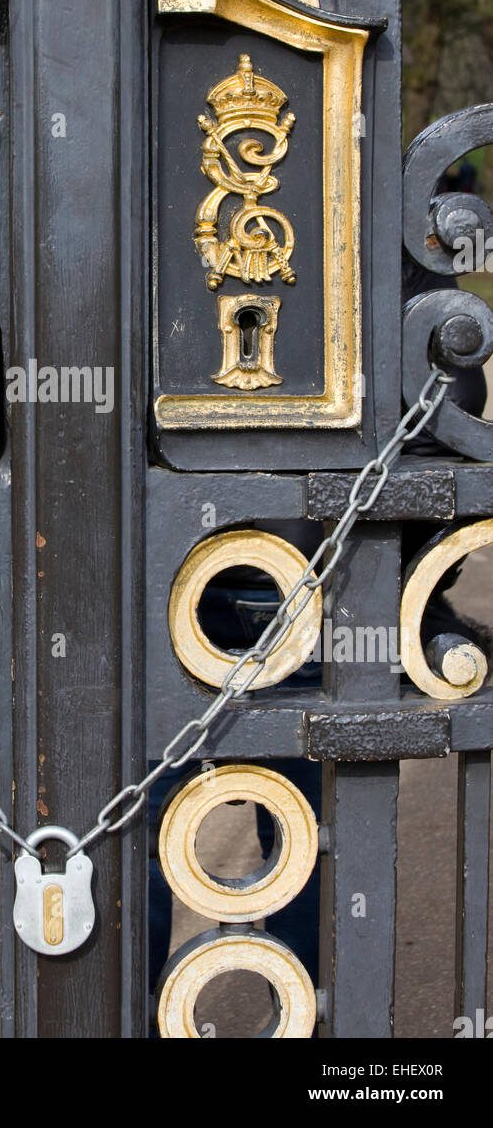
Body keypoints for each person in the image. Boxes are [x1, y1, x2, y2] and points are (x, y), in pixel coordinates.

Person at [148, 248, 492, 1005]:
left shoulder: (142, 195)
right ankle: (295, 1019)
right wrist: (408, 584)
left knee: (134, 832)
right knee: (301, 832)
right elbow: (451, 408)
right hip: (315, 576)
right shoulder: (360, 210)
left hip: (153, 571)